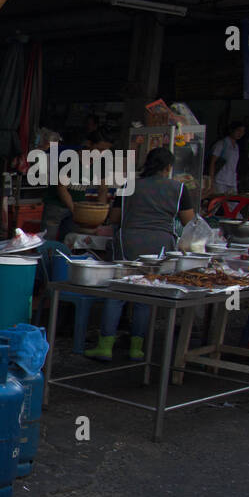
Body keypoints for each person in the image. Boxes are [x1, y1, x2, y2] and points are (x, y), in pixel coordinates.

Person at [85, 147, 195, 362]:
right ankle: (137, 348)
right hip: (160, 246)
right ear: (168, 168)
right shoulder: (179, 188)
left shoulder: (128, 185)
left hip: (129, 244)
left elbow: (115, 218)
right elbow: (189, 223)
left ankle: (105, 346)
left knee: (118, 293)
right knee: (145, 294)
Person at [208, 120, 246, 196]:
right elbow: (212, 162)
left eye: (242, 131)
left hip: (232, 180)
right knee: (219, 203)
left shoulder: (236, 147)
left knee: (233, 205)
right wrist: (210, 181)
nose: (240, 133)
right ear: (232, 130)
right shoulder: (222, 144)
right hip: (220, 180)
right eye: (238, 130)